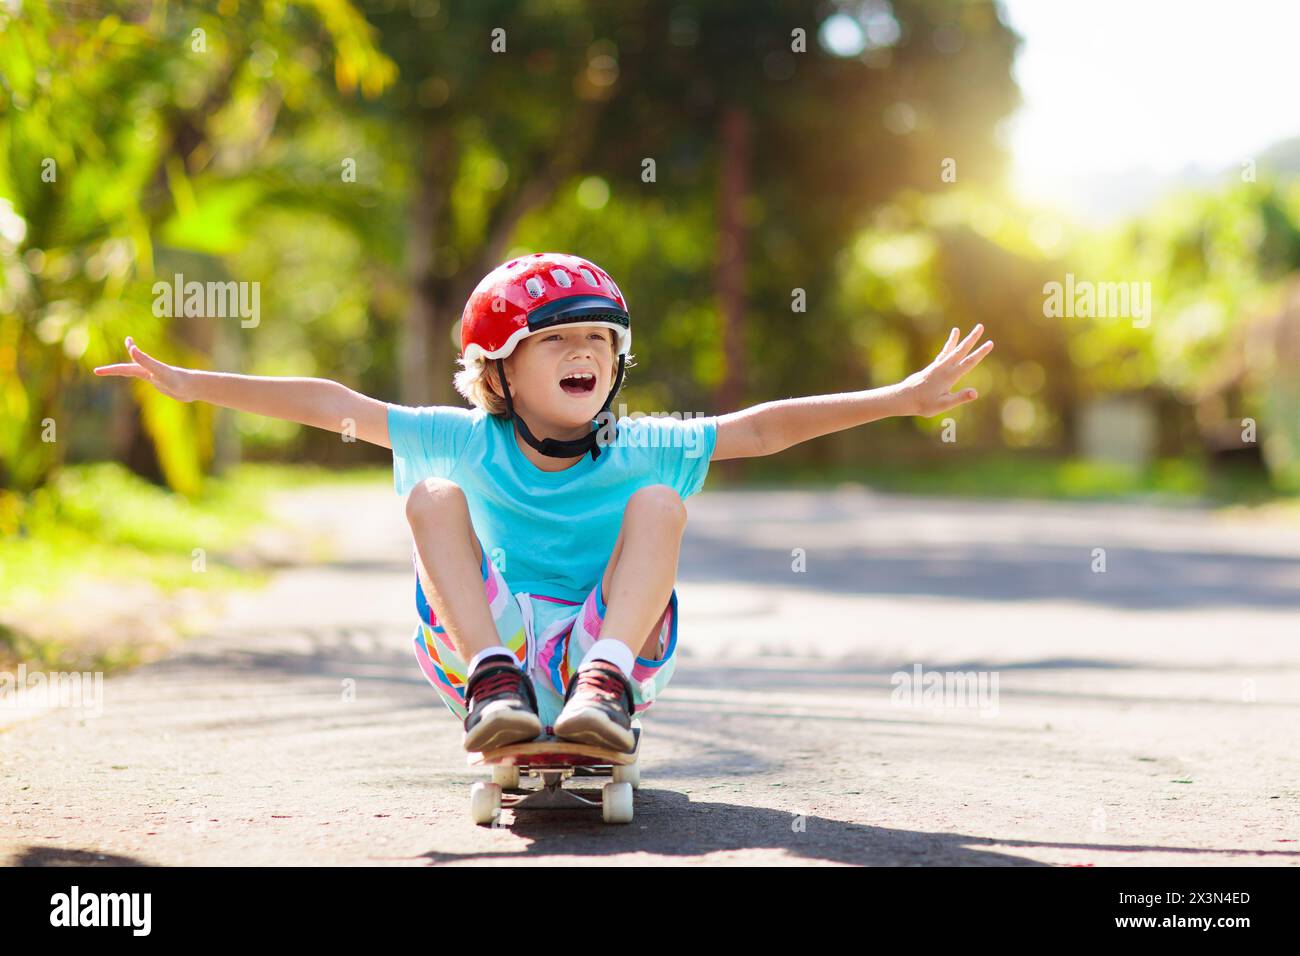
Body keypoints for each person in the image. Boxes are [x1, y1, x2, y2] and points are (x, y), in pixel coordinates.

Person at [95, 251, 993, 754]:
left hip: (617, 648)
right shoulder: (462, 438)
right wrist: (192, 386)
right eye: (557, 338)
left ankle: (602, 685)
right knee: (432, 497)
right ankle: (494, 682)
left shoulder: (640, 444)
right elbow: (333, 403)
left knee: (660, 506)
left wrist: (897, 398)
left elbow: (761, 430)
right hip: (492, 645)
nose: (586, 354)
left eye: (600, 339)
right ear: (498, 369)